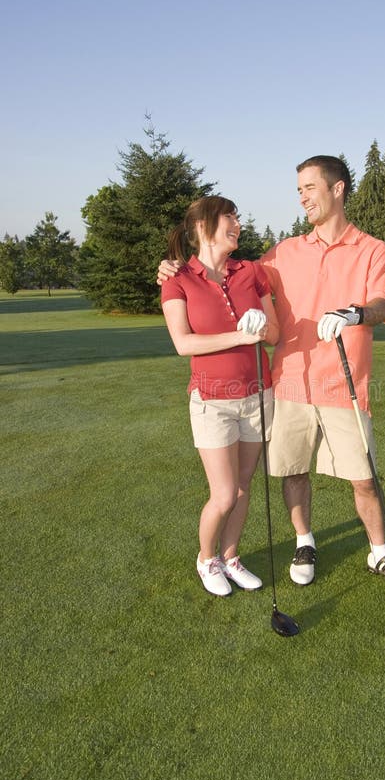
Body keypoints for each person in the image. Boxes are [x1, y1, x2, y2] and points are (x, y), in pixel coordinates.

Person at [158, 158, 385, 590]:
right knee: (294, 472)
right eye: (299, 190)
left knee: (364, 478)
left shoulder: (373, 249)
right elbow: (224, 271)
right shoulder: (282, 253)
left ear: (337, 189)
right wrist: (172, 267)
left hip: (343, 384)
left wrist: (355, 313)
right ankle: (304, 543)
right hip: (289, 384)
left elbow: (384, 304)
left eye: (309, 188)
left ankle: (380, 552)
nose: (302, 197)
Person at [161, 195, 279, 597]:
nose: (237, 223)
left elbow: (275, 333)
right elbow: (183, 343)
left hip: (258, 395)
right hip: (212, 401)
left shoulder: (251, 272)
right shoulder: (177, 280)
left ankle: (230, 558)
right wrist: (241, 336)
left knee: (243, 487)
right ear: (202, 226)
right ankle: (207, 558)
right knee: (224, 493)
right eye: (229, 216)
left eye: (237, 216)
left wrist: (261, 326)